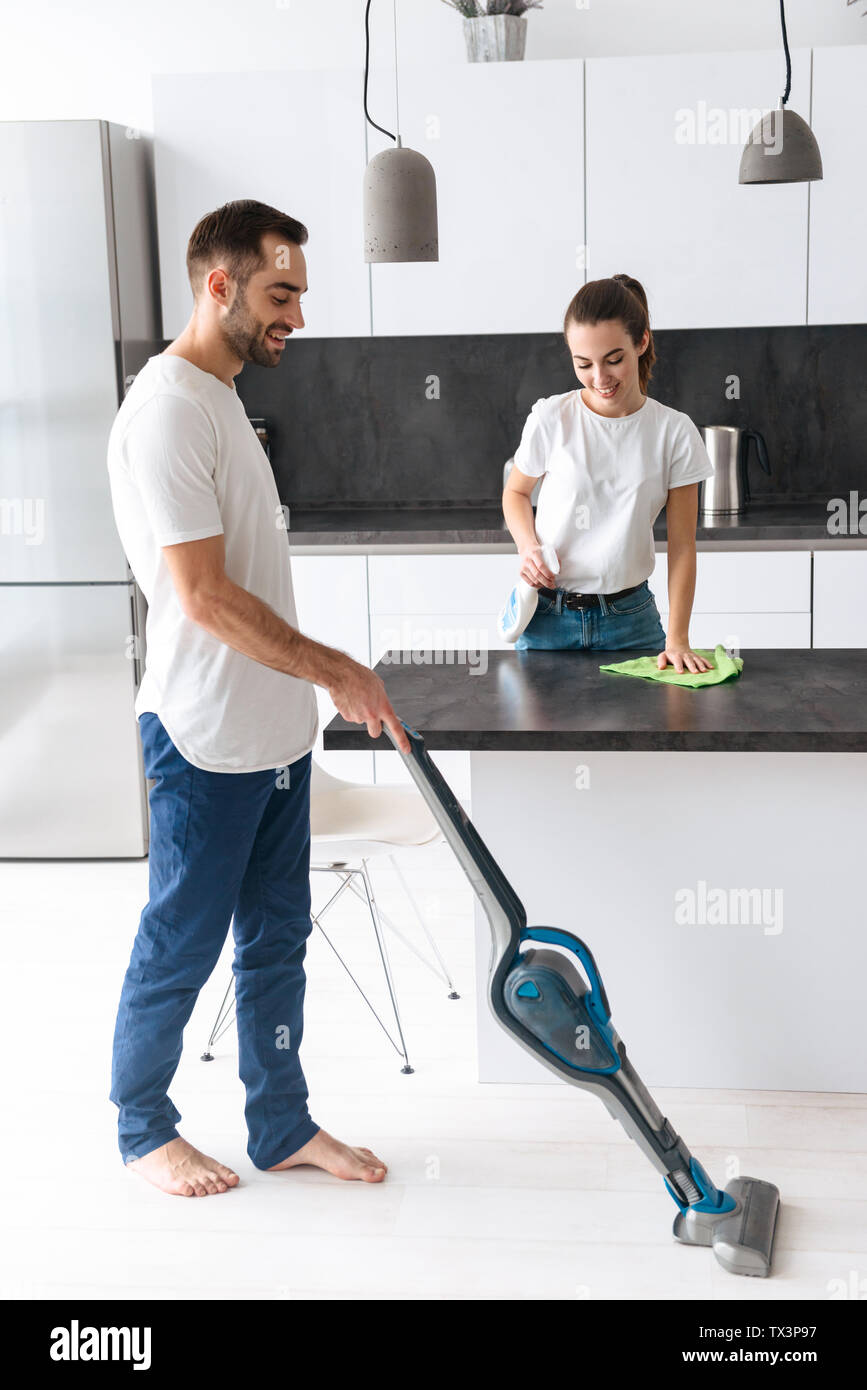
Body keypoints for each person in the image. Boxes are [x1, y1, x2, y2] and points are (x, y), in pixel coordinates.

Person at [107, 198, 410, 1198]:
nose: (298, 317)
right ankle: (144, 1127)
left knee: (276, 941)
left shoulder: (222, 393)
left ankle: (280, 1123)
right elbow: (198, 596)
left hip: (272, 733)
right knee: (182, 938)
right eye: (283, 294)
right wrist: (336, 669)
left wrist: (307, 695)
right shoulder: (166, 407)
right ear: (220, 284)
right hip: (201, 736)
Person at [503, 274, 715, 673]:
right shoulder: (553, 418)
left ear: (642, 342)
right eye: (584, 364)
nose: (600, 378)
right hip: (547, 618)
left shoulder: (674, 432)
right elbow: (515, 493)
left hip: (631, 622)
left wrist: (679, 638)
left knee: (645, 736)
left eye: (613, 359)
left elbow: (683, 546)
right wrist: (528, 547)